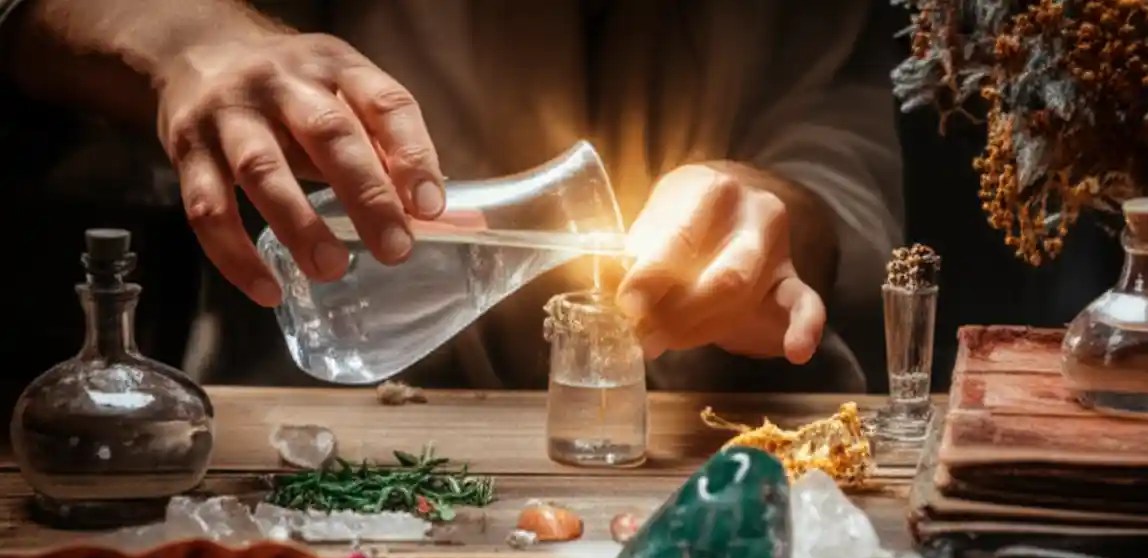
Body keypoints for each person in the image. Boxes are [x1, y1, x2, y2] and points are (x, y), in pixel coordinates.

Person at [0, 0, 902, 392]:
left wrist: (767, 215)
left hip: (684, 426)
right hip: (314, 421)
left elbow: (839, 158)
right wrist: (180, 37)